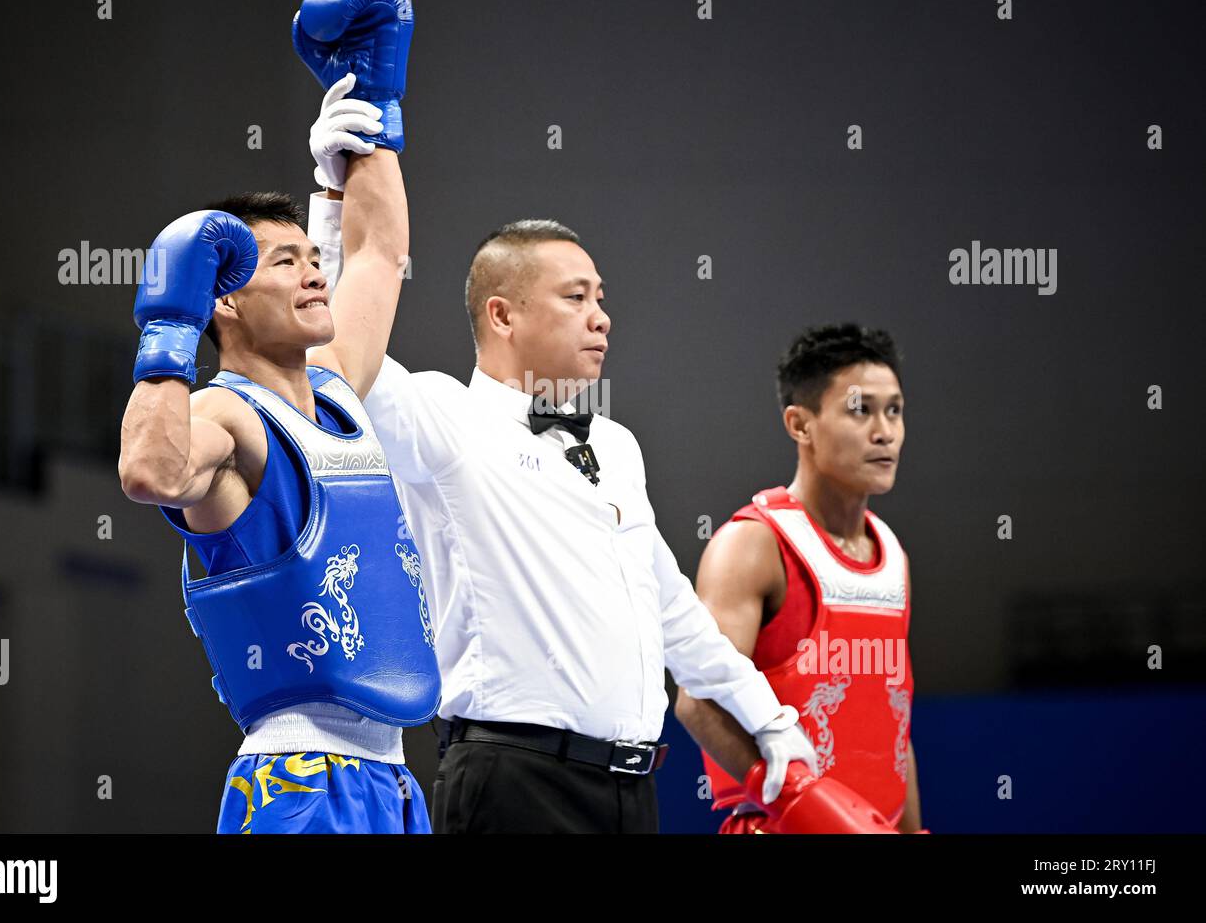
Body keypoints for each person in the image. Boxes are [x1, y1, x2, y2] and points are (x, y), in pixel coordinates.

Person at [309, 206, 820, 830]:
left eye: (600, 298)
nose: (601, 317)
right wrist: (335, 201)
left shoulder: (617, 445)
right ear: (502, 314)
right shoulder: (445, 417)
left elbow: (674, 613)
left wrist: (766, 718)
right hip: (513, 784)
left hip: (632, 793)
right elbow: (335, 346)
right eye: (575, 297)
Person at [117, 0, 439, 833]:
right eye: (283, 262)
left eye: (309, 255)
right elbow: (149, 470)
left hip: (396, 783)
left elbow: (378, 251)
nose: (311, 270)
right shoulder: (230, 417)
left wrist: (371, 105)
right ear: (222, 300)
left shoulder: (339, 386)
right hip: (297, 778)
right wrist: (166, 329)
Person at [675, 323, 925, 832]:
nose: (884, 431)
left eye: (894, 410)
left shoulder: (893, 556)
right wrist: (802, 804)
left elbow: (893, 723)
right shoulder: (751, 545)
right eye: (861, 409)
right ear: (799, 424)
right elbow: (698, 701)